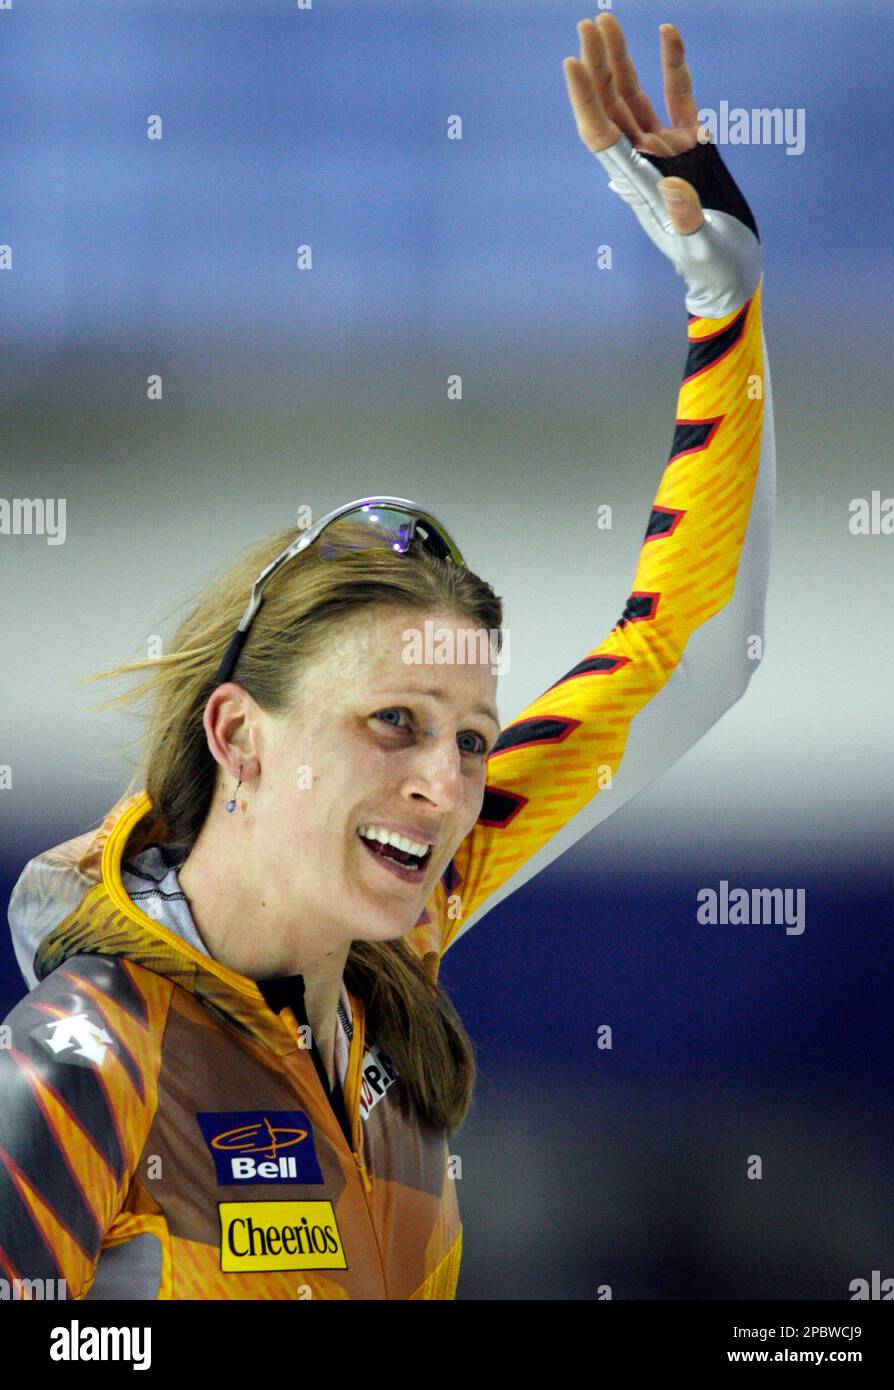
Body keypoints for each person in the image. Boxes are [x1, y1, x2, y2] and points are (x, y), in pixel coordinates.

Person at [0, 15, 775, 1300]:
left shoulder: (397, 947)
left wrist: (724, 304)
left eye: (471, 735)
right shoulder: (87, 1059)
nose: (449, 782)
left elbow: (692, 655)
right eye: (394, 722)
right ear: (241, 738)